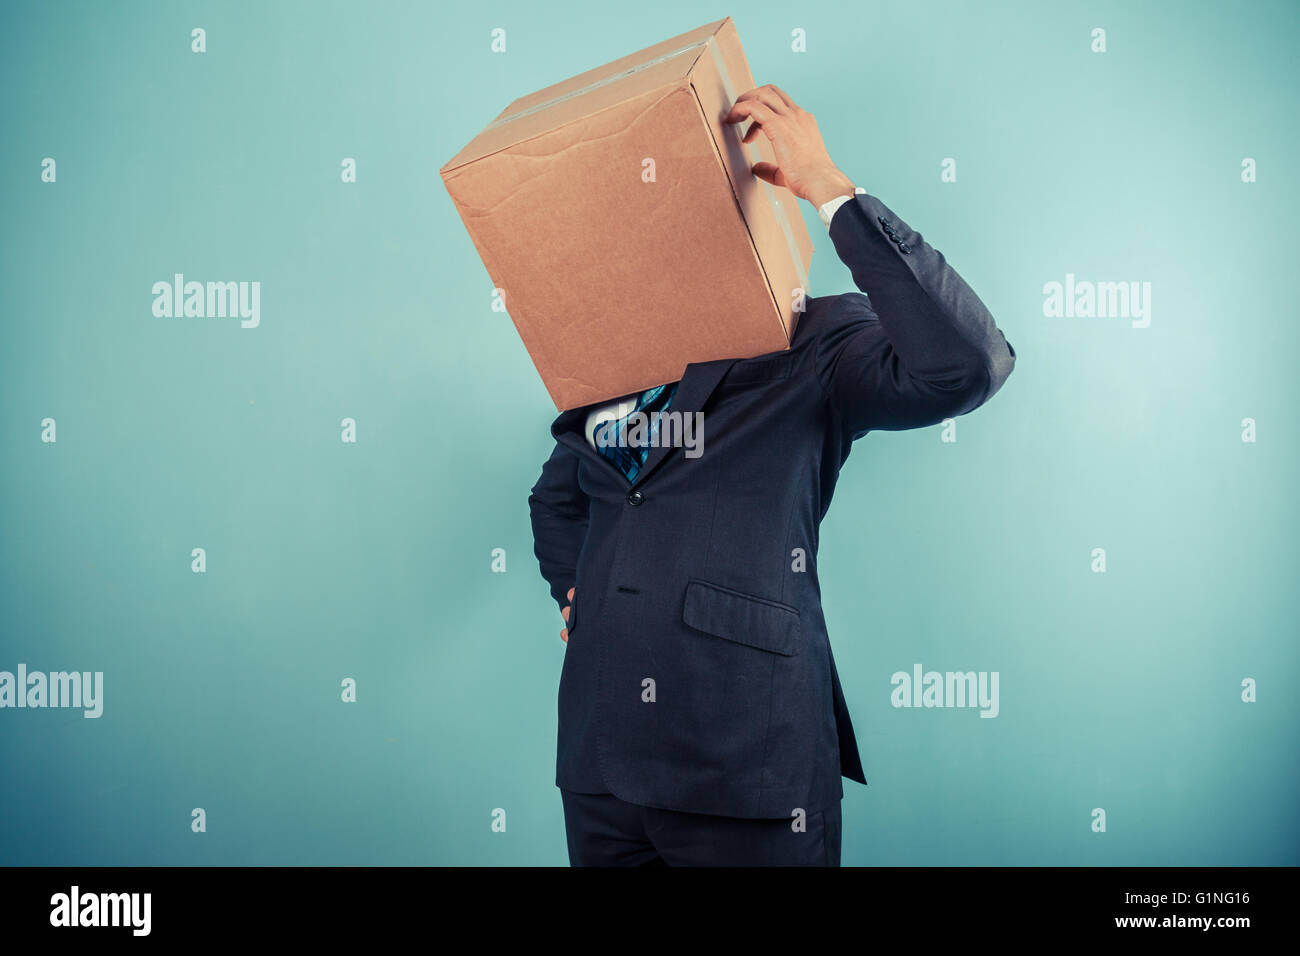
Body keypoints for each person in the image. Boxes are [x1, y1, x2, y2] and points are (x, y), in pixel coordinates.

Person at [528, 84, 1017, 866]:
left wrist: (829, 187)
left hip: (747, 764)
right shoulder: (612, 362)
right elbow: (558, 497)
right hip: (599, 763)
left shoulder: (817, 344)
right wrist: (575, 593)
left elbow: (966, 366)